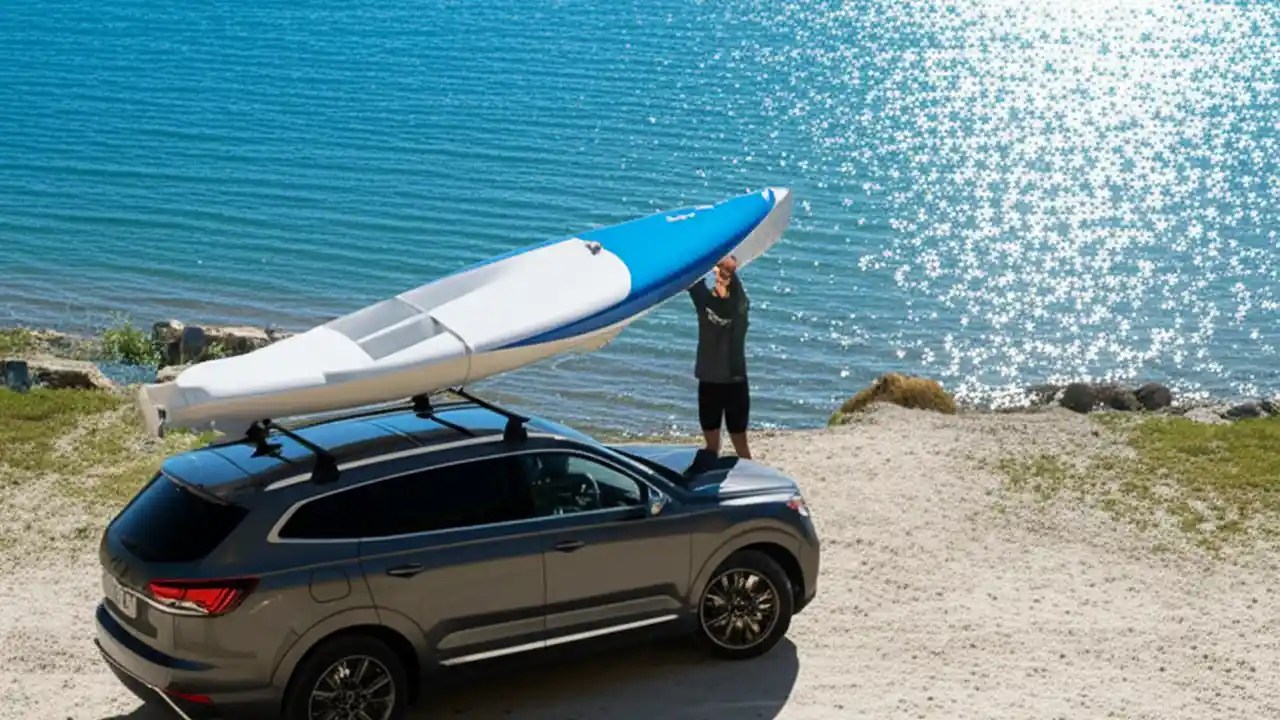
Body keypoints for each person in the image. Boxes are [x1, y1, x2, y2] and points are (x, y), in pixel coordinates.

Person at [687, 254, 752, 459]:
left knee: (741, 445)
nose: (720, 281)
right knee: (711, 448)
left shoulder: (740, 308)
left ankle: (749, 472)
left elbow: (729, 277)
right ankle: (711, 465)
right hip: (709, 381)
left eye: (724, 278)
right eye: (718, 277)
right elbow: (691, 280)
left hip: (735, 382)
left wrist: (722, 261)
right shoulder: (705, 303)